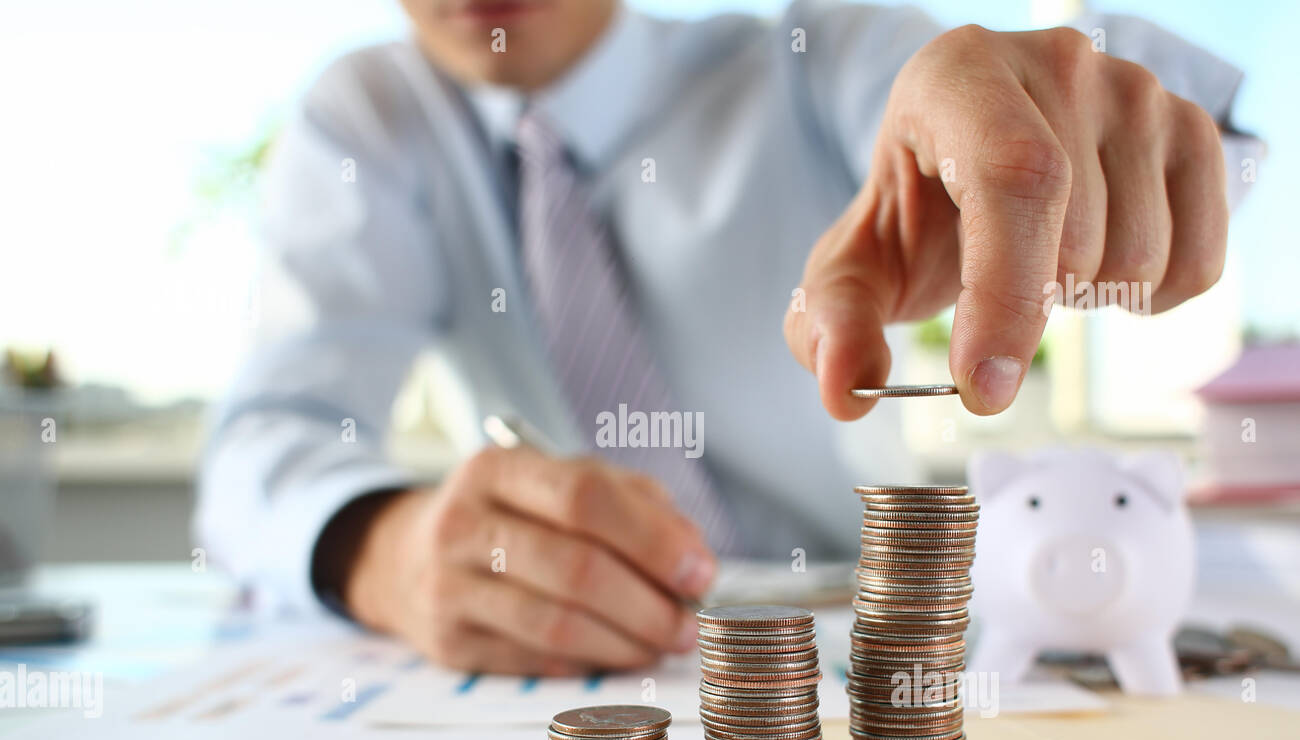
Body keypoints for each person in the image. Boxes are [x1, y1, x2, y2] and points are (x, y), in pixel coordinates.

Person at [196, 0, 1254, 676]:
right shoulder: (371, 119)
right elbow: (261, 450)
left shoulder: (811, 53)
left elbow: (1175, 130)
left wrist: (1075, 121)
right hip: (590, 669)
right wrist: (383, 547)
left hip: (865, 632)